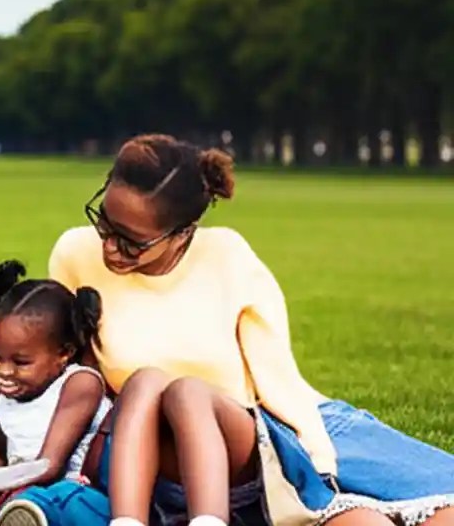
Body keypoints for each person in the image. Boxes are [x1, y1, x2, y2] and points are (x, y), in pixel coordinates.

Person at [48, 133, 454, 526]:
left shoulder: (227, 255)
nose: (110, 248)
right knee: (165, 387)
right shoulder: (74, 253)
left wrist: (319, 456)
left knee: (441, 501)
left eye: (132, 242)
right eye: (104, 223)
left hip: (258, 427)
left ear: (183, 233)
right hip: (152, 440)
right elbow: (64, 364)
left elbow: (276, 377)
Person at [0, 260, 112, 526]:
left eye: (21, 362)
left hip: (76, 495)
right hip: (19, 493)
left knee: (60, 499)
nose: (3, 370)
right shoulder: (2, 394)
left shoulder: (79, 384)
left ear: (64, 354)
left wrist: (4, 488)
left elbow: (50, 465)